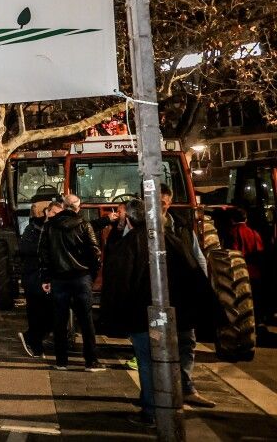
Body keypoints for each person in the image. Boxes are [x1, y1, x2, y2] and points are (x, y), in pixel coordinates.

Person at [102, 199, 221, 428]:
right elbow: (194, 272)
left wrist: (114, 318)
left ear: (129, 219)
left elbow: (118, 286)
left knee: (147, 362)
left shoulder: (129, 245)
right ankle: (166, 401)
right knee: (169, 360)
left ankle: (151, 411)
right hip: (175, 315)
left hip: (143, 317)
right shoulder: (172, 240)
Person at [158, 183, 215, 406]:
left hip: (181, 291)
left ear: (169, 202)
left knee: (186, 339)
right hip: (154, 294)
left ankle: (186, 386)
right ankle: (161, 390)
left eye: (163, 202)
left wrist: (201, 285)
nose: (160, 206)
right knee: (157, 340)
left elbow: (197, 257)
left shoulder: (182, 227)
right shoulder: (140, 227)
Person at [39, 194, 104, 371]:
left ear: (63, 206)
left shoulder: (50, 226)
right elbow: (95, 251)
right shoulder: (84, 224)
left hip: (59, 278)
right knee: (86, 319)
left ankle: (61, 361)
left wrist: (46, 277)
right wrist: (91, 272)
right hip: (81, 278)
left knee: (59, 320)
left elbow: (44, 254)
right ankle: (91, 361)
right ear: (77, 207)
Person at [17, 193, 56, 358]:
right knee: (37, 313)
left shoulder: (47, 228)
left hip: (42, 278)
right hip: (34, 278)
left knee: (46, 313)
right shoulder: (32, 229)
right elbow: (26, 250)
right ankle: (33, 342)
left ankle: (34, 341)